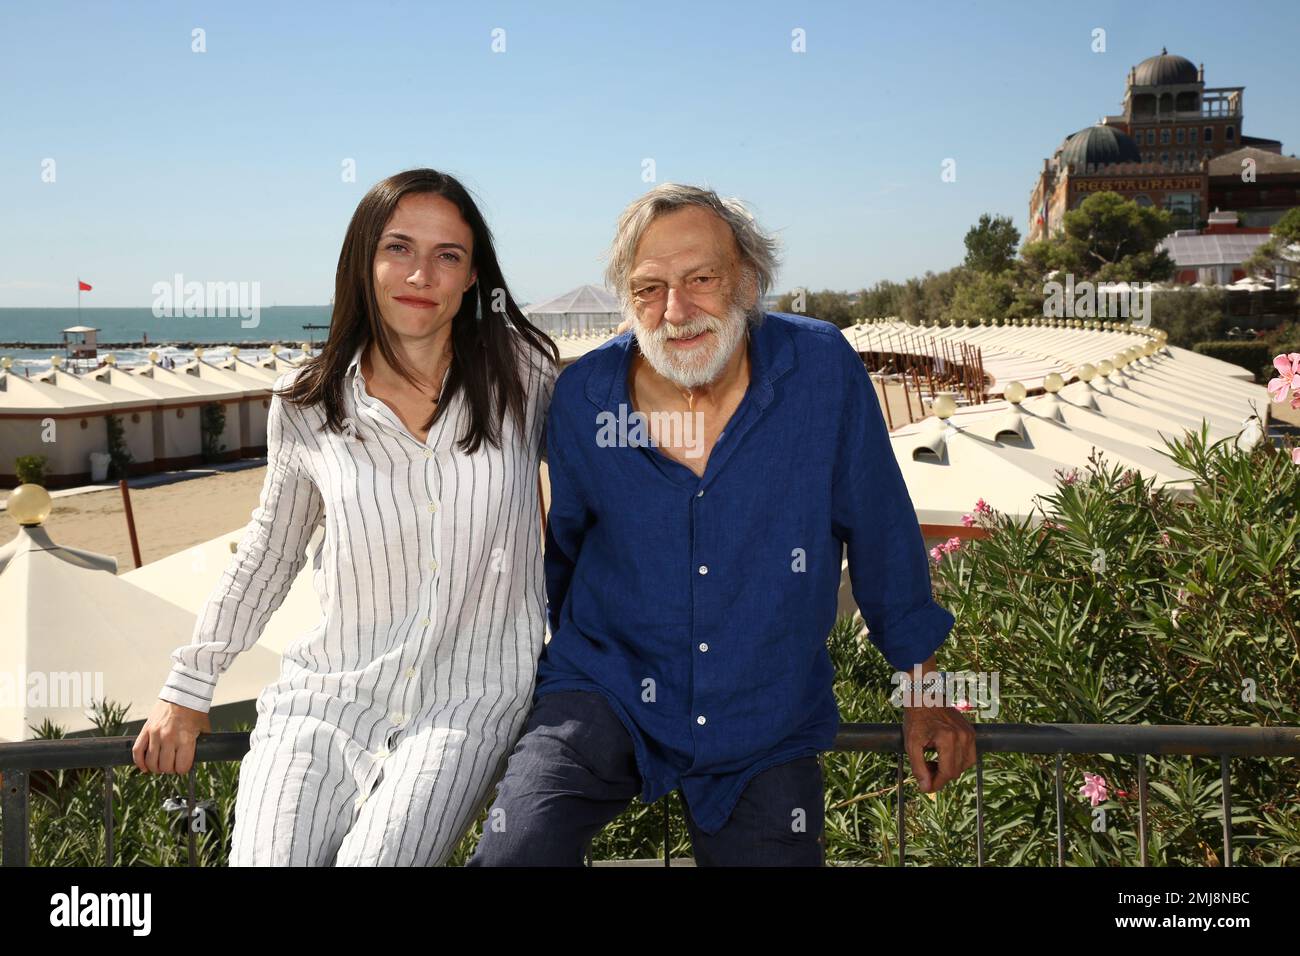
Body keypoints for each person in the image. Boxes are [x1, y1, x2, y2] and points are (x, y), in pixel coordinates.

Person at [469, 183, 975, 867]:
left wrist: (925, 692)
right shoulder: (585, 398)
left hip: (765, 715)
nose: (676, 311)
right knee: (512, 851)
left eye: (700, 279)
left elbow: (883, 534)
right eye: (649, 289)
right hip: (607, 689)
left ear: (749, 279)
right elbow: (565, 551)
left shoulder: (820, 371)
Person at [132, 168, 558, 866]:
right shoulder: (305, 404)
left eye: (447, 255)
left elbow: (612, 483)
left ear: (473, 275)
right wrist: (188, 687)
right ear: (364, 260)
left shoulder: (526, 376)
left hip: (467, 706)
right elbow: (269, 556)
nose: (421, 273)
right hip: (323, 705)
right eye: (398, 248)